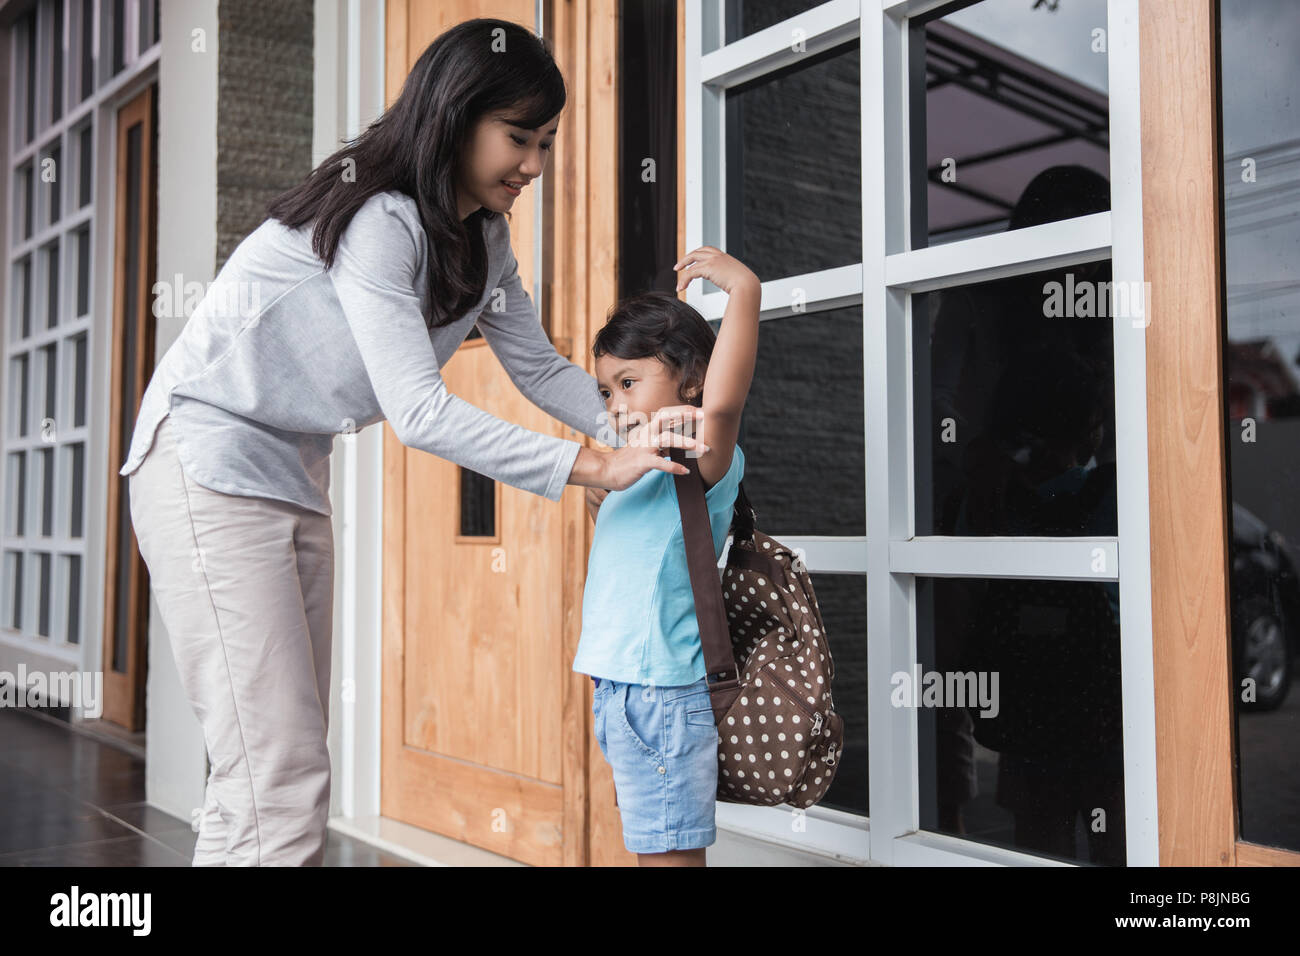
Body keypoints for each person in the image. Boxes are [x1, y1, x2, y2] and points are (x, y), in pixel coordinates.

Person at [121, 17, 705, 866]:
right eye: (518, 138)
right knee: (277, 771)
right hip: (204, 460)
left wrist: (642, 425)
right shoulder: (382, 221)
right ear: (456, 115)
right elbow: (421, 412)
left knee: (267, 763)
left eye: (545, 143)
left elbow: (539, 369)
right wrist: (592, 467)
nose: (535, 166)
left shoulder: (486, 241)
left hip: (291, 468)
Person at [577, 248, 760, 866]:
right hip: (619, 690)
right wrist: (603, 489)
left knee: (670, 859)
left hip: (662, 696)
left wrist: (744, 292)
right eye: (606, 390)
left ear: (689, 377)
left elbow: (726, 402)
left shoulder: (700, 453)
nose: (615, 404)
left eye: (629, 383)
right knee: (652, 850)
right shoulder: (633, 467)